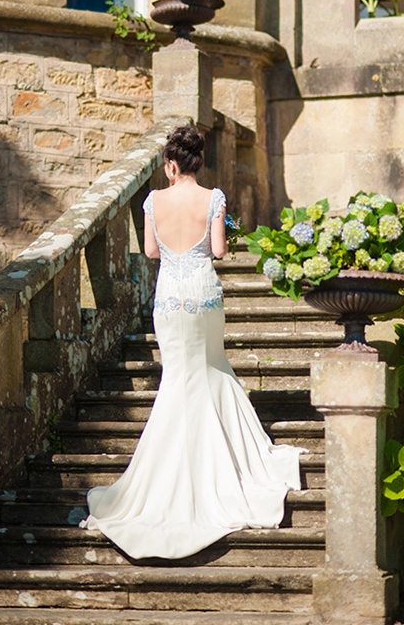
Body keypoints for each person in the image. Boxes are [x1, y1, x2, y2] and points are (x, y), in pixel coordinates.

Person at [80, 125, 303, 560]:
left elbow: (150, 252)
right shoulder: (213, 198)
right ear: (196, 162)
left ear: (170, 164)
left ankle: (164, 476)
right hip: (202, 294)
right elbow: (219, 251)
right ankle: (223, 466)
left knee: (177, 377)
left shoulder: (153, 201)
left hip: (169, 299)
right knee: (210, 368)